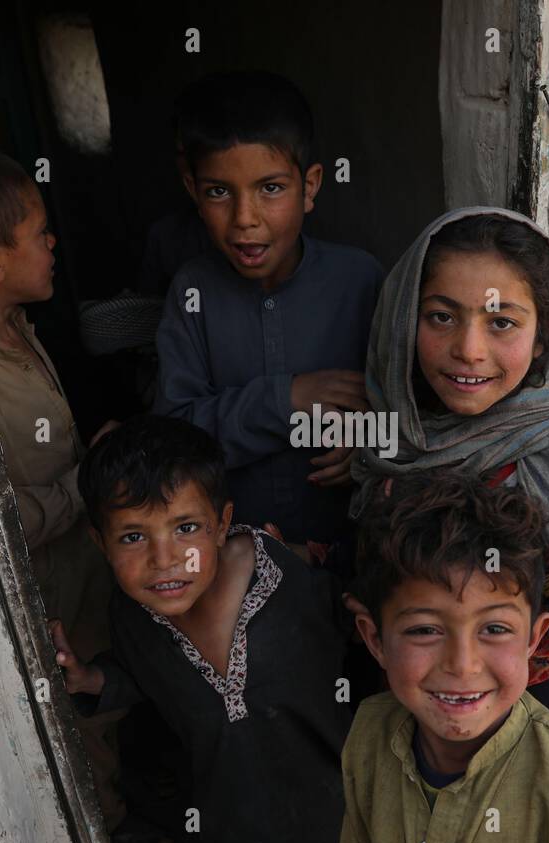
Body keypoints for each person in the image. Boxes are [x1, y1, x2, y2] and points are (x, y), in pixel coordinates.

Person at [347, 207, 549, 827]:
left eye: (502, 323)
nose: (469, 350)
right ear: (403, 322)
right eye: (441, 317)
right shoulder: (390, 444)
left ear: (544, 335)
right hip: (402, 723)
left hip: (525, 742)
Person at [0, 147, 127, 836]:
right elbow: (1, 519)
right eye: (38, 232)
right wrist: (88, 480)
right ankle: (107, 836)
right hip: (47, 591)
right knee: (76, 729)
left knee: (104, 702)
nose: (52, 243)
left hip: (83, 574)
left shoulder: (16, 330)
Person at [54, 414, 354, 843]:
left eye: (186, 528)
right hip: (234, 833)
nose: (164, 559)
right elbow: (151, 677)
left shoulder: (289, 585)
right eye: (133, 536)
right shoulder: (133, 616)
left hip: (346, 821)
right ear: (101, 543)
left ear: (221, 523)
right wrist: (92, 679)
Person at [340, 473, 549, 843]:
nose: (463, 665)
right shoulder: (368, 739)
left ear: (534, 639)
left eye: (495, 629)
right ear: (375, 640)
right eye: (425, 630)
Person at [153, 71, 383, 551]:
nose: (244, 218)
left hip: (353, 552)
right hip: (236, 566)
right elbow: (174, 442)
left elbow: (405, 410)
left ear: (311, 185)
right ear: (193, 190)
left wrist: (367, 448)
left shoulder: (360, 281)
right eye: (219, 191)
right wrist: (286, 400)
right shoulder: (191, 293)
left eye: (271, 188)